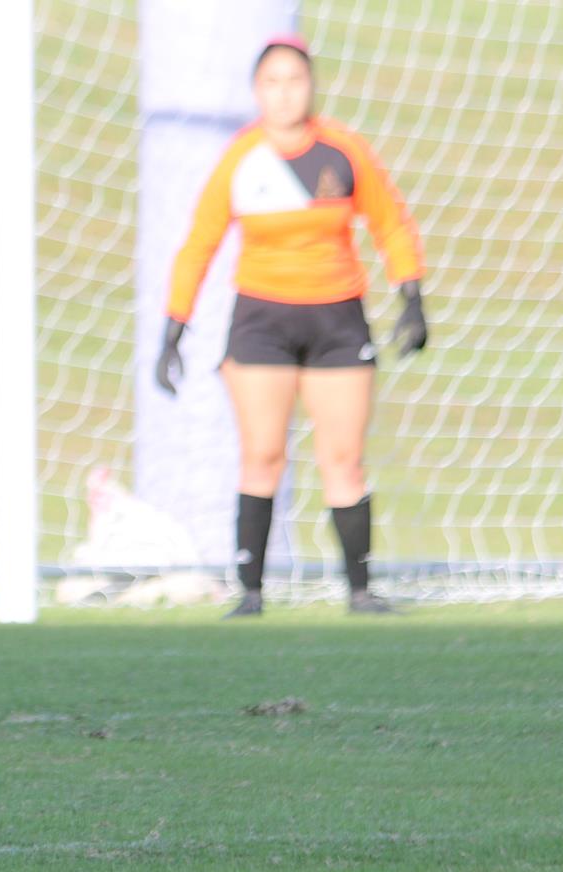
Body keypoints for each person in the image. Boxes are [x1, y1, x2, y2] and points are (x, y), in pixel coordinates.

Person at [155, 34, 428, 616]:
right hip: (261, 324)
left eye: (294, 80)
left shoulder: (345, 152)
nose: (284, 94)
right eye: (272, 83)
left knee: (344, 457)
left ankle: (360, 591)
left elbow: (392, 225)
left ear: (312, 85)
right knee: (262, 454)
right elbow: (199, 245)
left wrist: (411, 296)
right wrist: (173, 329)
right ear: (257, 91)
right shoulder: (240, 157)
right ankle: (250, 594)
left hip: (338, 320)